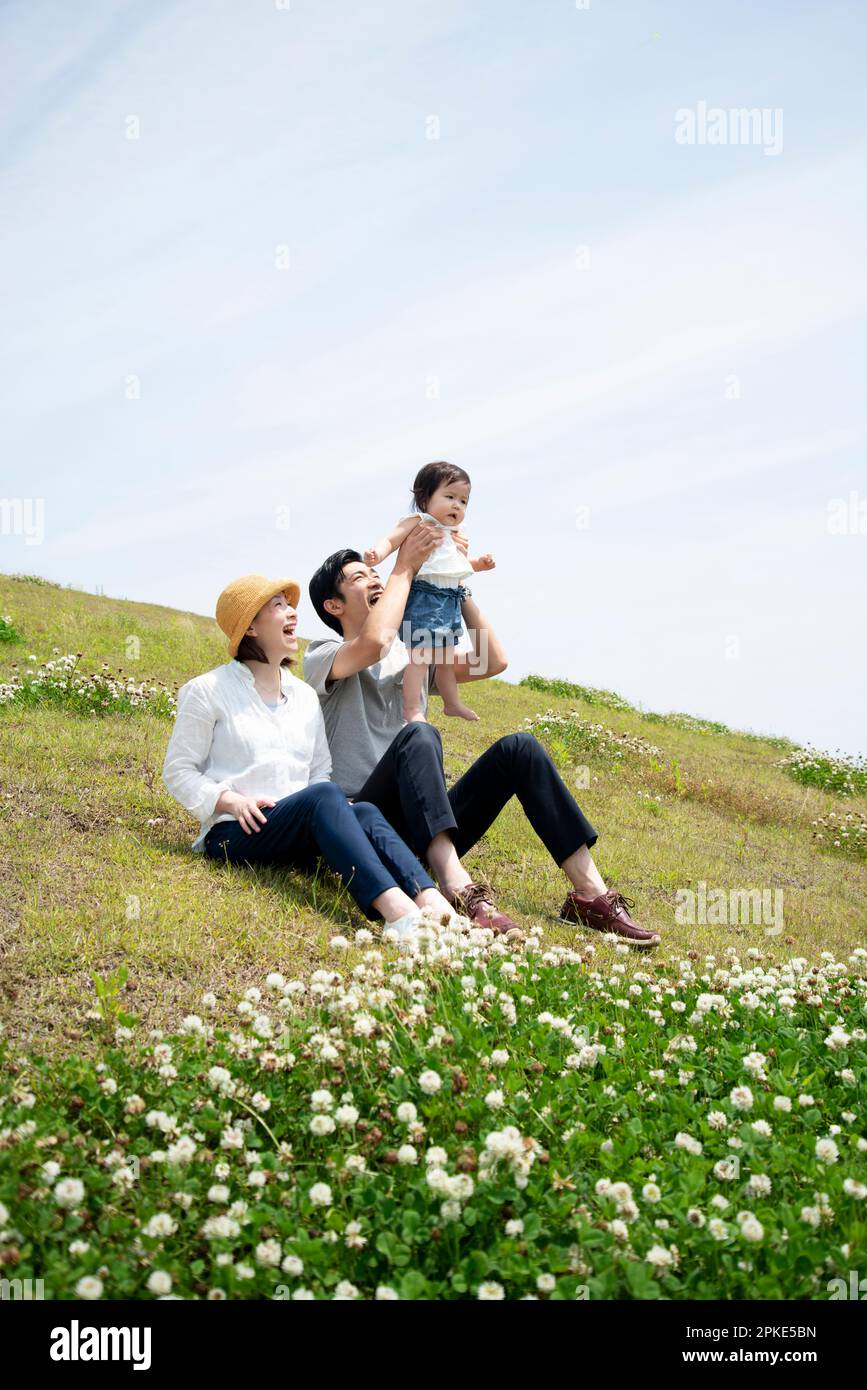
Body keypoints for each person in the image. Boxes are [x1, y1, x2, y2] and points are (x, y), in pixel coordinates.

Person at [304, 537, 661, 948]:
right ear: (334, 605)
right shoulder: (323, 655)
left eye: (374, 572)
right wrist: (404, 566)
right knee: (418, 733)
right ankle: (459, 886)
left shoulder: (415, 659)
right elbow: (374, 643)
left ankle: (590, 895)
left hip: (422, 824)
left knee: (520, 749)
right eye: (359, 576)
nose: (375, 578)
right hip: (364, 823)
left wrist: (456, 581)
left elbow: (493, 661)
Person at [162, 573, 458, 944]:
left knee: (362, 810)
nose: (292, 614)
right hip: (236, 831)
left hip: (295, 830)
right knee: (326, 796)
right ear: (251, 627)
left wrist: (340, 814)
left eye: (290, 606)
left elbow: (319, 771)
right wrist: (231, 801)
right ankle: (399, 915)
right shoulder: (207, 691)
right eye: (278, 606)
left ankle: (433, 902)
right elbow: (178, 771)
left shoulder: (303, 696)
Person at [363, 460, 494, 723]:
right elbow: (391, 539)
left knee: (444, 659)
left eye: (464, 501)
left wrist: (478, 564)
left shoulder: (454, 535)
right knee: (420, 658)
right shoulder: (419, 522)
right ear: (424, 500)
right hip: (424, 597)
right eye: (450, 497)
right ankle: (412, 708)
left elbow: (455, 567)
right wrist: (377, 553)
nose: (457, 505)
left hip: (450, 602)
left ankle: (452, 703)